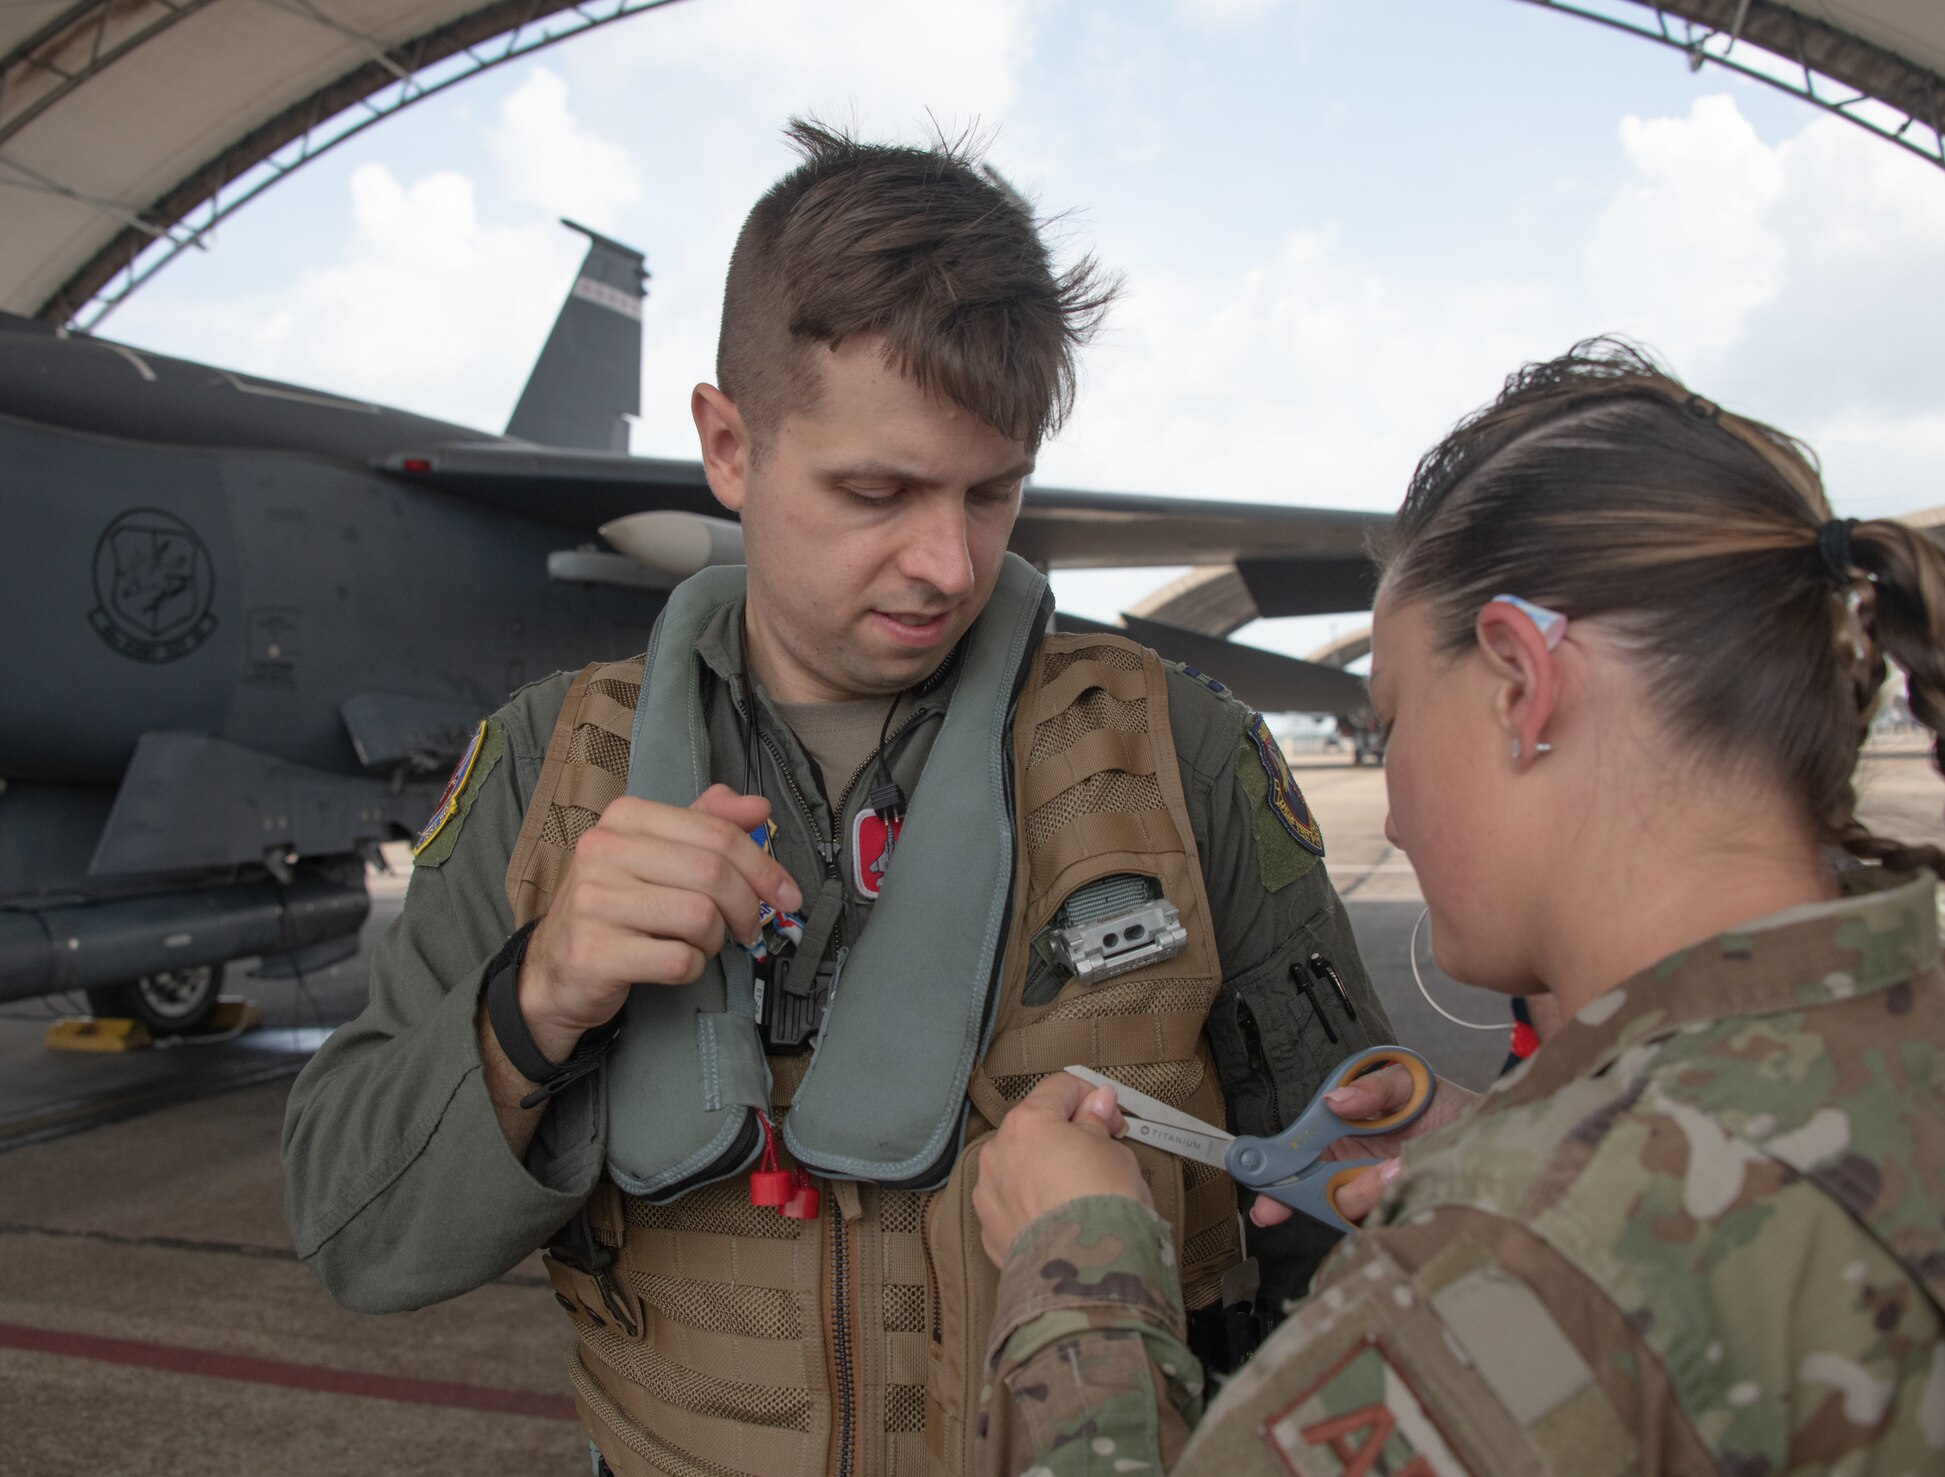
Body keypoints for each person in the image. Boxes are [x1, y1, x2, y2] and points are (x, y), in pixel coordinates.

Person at [281, 121, 1399, 1477]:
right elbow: (354, 1233)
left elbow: (1353, 1216)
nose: (947, 560)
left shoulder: (1180, 753)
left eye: (995, 493)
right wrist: (536, 1002)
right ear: (728, 445)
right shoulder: (544, 767)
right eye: (877, 491)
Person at [972, 340, 1945, 1476]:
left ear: (1518, 681)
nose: (1397, 806)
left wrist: (1077, 1280)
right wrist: (1534, 1138)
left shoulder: (1520, 1262)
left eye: (1396, 711)